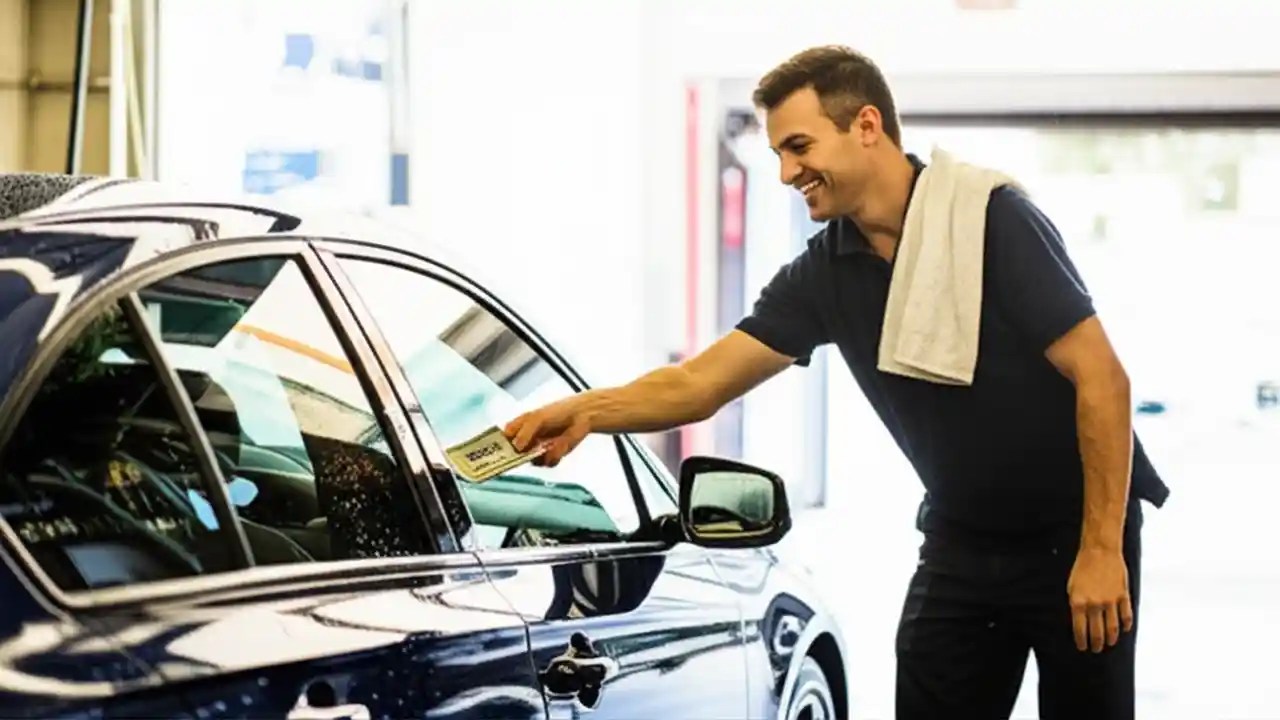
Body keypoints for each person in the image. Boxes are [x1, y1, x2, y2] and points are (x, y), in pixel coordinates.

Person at [504, 45, 1168, 719]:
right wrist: (588, 411)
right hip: (962, 543)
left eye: (799, 146)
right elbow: (698, 384)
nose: (789, 172)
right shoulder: (825, 273)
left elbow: (1103, 380)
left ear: (867, 126)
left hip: (1077, 535)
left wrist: (1101, 550)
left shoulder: (993, 222)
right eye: (780, 156)